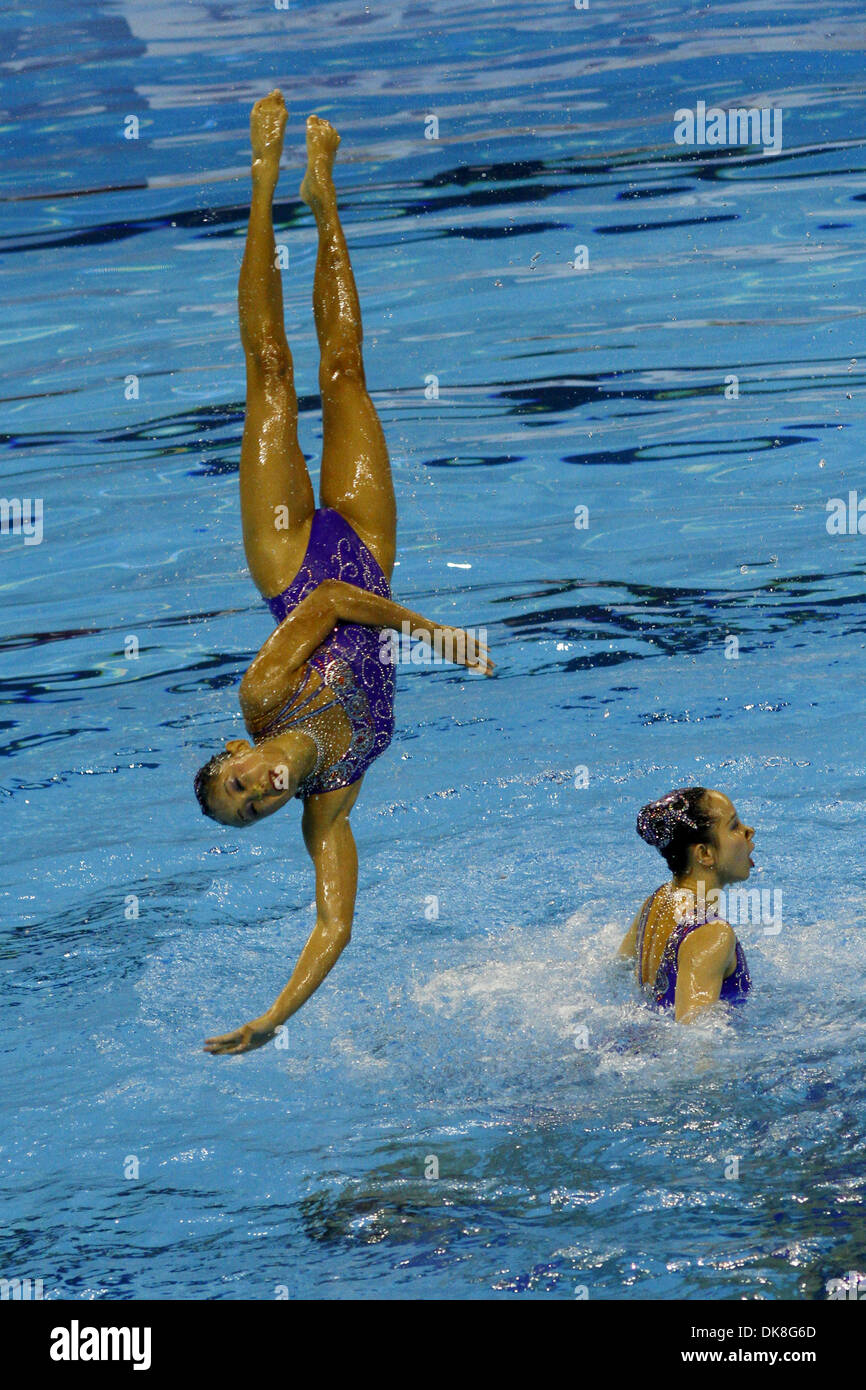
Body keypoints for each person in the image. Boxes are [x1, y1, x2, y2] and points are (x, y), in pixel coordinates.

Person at [197, 92, 493, 1055]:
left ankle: (267, 174)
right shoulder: (337, 797)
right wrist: (272, 1019)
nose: (259, 792)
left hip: (296, 559)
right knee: (353, 372)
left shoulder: (260, 697)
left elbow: (325, 604)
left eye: (236, 785)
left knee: (275, 372)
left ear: (233, 755)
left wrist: (433, 632)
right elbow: (334, 926)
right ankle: (327, 195)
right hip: (368, 546)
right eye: (254, 810)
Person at [618, 787, 753, 1022]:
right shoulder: (711, 934)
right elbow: (695, 1043)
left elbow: (617, 971)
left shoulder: (656, 901)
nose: (748, 831)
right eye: (734, 826)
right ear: (704, 854)